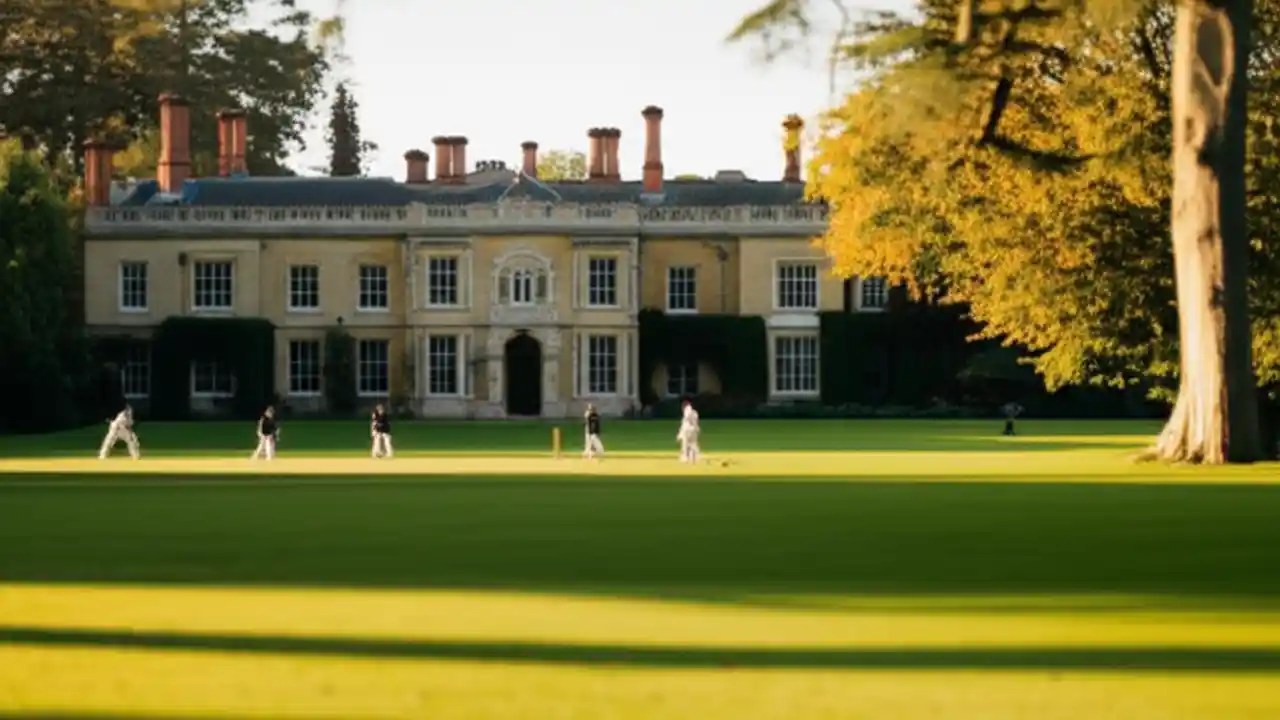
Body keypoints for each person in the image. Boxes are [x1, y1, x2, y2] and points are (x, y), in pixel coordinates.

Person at [677, 398, 700, 463]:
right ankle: (695, 457)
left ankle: (686, 457)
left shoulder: (687, 411)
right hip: (693, 429)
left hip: (687, 429)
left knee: (685, 444)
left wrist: (680, 434)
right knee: (693, 443)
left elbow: (686, 421)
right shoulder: (695, 412)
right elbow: (695, 422)